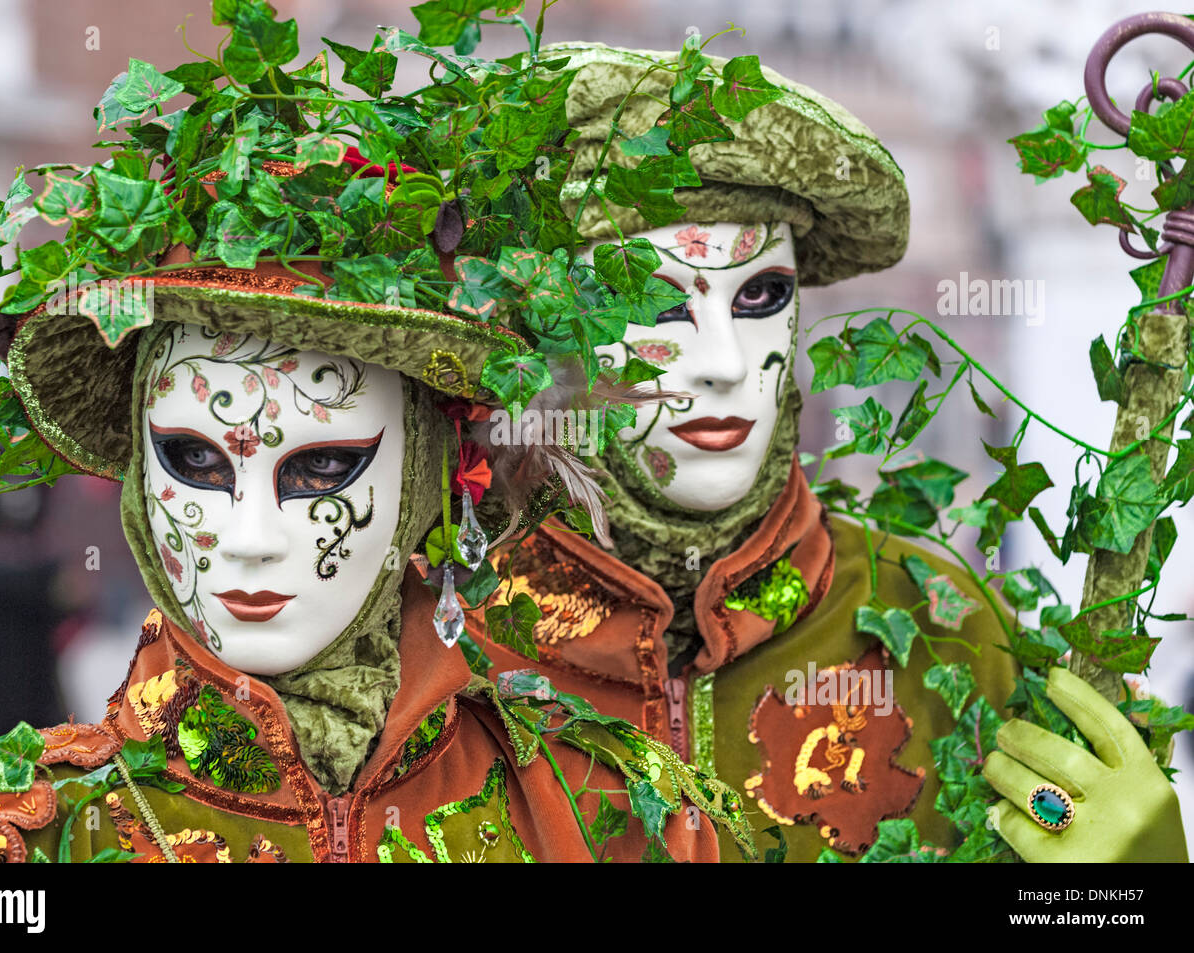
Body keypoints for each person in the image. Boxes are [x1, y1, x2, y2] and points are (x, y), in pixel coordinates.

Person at [465, 43, 1187, 863]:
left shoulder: (935, 630)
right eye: (652, 301)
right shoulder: (427, 663)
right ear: (543, 326)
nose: (727, 363)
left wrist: (1128, 889)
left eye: (761, 297)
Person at [0, 181, 738, 863]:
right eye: (196, 462)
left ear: (426, 480)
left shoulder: (619, 815)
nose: (252, 534)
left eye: (323, 466)